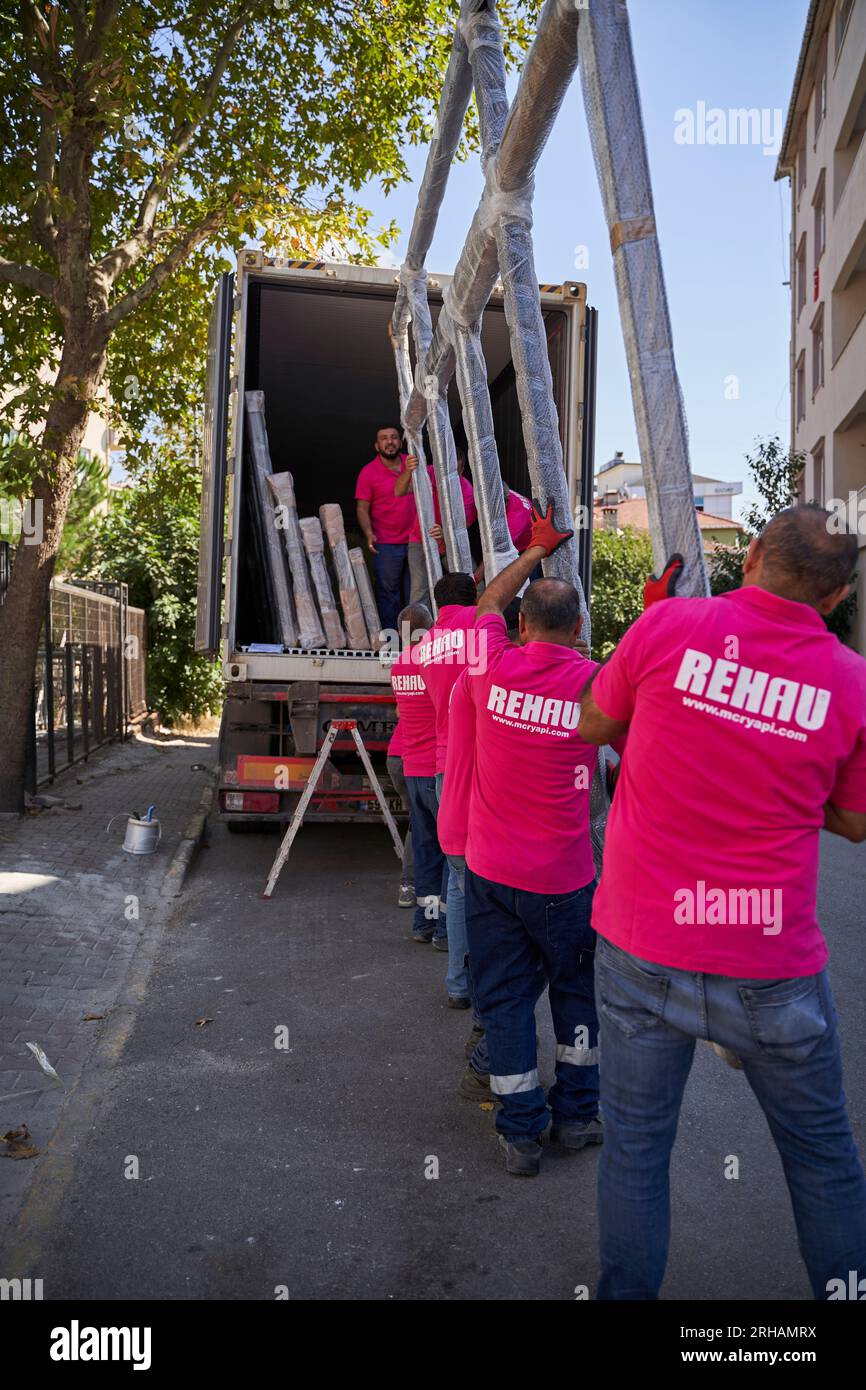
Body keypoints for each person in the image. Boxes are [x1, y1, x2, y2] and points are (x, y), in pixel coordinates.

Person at [578, 504, 866, 1300]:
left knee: (636, 1147)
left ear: (753, 555)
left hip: (642, 944)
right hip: (770, 964)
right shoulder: (850, 681)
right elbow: (854, 820)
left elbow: (592, 721)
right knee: (822, 1158)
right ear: (838, 598)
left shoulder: (667, 628)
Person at [444, 504, 606, 1177]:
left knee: (505, 1001)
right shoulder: (596, 684)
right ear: (576, 631)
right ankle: (576, 1118)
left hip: (490, 872)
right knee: (574, 999)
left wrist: (535, 550)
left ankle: (519, 1133)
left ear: (519, 627)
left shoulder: (488, 665)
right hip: (565, 882)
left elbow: (485, 600)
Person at [414, 571, 479, 1007]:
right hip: (482, 766)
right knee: (491, 880)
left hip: (442, 768)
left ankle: (458, 985)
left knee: (458, 880)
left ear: (438, 606)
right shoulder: (481, 627)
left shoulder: (425, 646)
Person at [389, 602, 447, 947]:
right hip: (435, 769)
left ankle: (423, 924)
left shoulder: (399, 665)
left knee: (426, 852)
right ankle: (443, 931)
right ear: (432, 627)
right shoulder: (434, 661)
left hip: (411, 766)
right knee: (448, 853)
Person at [397, 446, 477, 611]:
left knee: (471, 581)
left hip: (450, 544)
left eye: (453, 472)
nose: (447, 477)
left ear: (462, 470)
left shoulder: (468, 491)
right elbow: (399, 491)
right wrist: (408, 470)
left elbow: (465, 525)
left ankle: (475, 625)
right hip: (420, 540)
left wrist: (446, 533)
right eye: (444, 471)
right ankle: (416, 634)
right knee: (420, 589)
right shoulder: (428, 473)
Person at [355, 426, 416, 634]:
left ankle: (412, 642)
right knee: (389, 596)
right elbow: (362, 508)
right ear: (376, 445)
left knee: (415, 594)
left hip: (416, 541)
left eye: (393, 438)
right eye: (384, 439)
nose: (389, 442)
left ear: (400, 442)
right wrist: (369, 533)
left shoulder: (413, 463)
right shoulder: (368, 472)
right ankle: (392, 642)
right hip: (386, 543)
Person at [385, 719, 414, 909]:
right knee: (428, 825)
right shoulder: (449, 690)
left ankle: (408, 884)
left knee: (419, 823)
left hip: (396, 757)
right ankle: (412, 884)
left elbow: (399, 710)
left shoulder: (412, 689)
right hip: (419, 761)